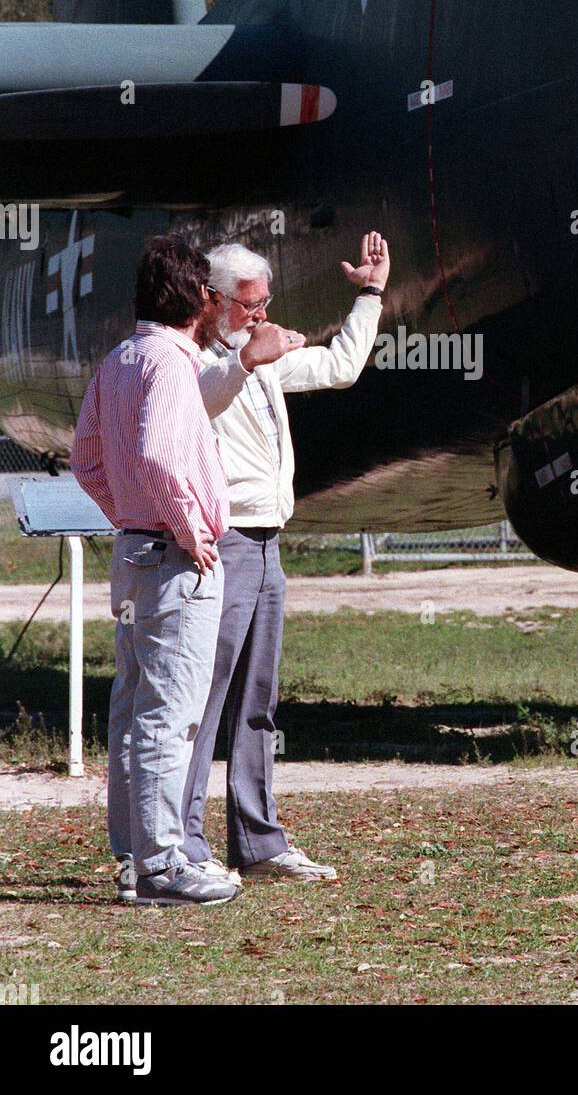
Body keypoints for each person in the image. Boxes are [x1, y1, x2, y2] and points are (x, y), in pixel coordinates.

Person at [181, 231, 390, 881]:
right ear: (210, 300)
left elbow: (340, 367)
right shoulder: (188, 360)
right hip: (224, 543)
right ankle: (182, 847)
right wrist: (248, 358)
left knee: (257, 699)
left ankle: (259, 840)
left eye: (266, 303)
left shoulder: (258, 351)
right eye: (249, 305)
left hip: (268, 543)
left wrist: (371, 296)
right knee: (200, 700)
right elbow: (199, 400)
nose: (262, 316)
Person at [70, 234, 240, 907]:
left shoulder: (118, 359)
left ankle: (133, 855)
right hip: (172, 556)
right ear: (196, 298)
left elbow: (87, 457)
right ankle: (164, 864)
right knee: (171, 713)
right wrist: (186, 526)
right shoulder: (171, 365)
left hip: (135, 551)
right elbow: (161, 455)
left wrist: (128, 514)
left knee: (132, 711)